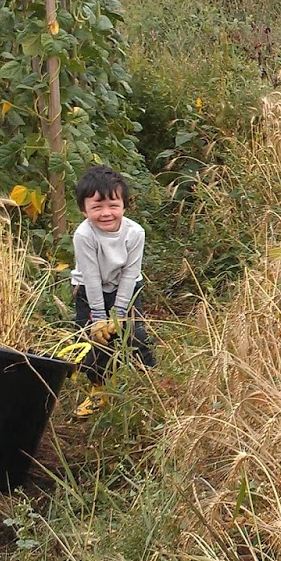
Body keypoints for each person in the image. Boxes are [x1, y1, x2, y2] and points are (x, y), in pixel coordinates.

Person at [70, 165, 155, 416]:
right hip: (89, 291)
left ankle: (153, 384)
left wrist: (118, 313)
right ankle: (98, 390)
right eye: (97, 207)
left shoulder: (135, 233)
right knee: (93, 343)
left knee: (135, 336)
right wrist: (98, 317)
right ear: (84, 209)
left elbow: (130, 274)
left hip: (126, 289)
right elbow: (91, 278)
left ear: (124, 205)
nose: (106, 213)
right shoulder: (84, 235)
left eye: (113, 205)